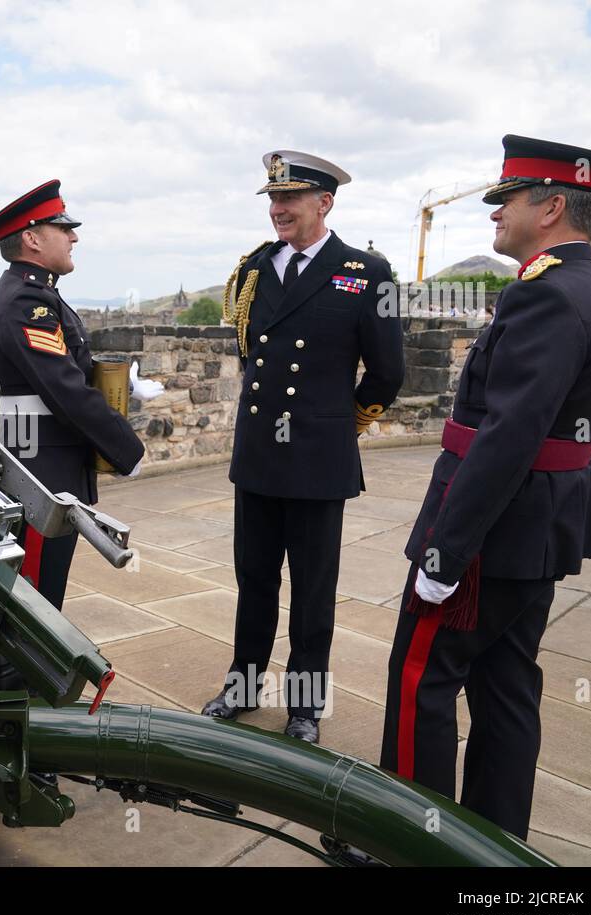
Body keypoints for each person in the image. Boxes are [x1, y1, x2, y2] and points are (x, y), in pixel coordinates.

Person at [379, 135, 591, 839]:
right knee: (507, 689)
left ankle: (409, 840)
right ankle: (491, 845)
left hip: (489, 534)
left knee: (422, 684)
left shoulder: (548, 296)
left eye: (507, 200)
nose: (496, 213)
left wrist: (444, 555)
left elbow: (507, 438)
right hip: (541, 529)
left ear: (551, 207)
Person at [200, 151, 405, 743]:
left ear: (325, 202)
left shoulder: (368, 272)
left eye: (289, 199)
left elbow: (388, 372)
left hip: (319, 457)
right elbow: (249, 355)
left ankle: (305, 707)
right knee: (254, 582)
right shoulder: (254, 270)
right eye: (272, 199)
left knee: (314, 592)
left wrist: (344, 424)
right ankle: (242, 688)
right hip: (261, 454)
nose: (277, 209)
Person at [0, 179, 144, 612]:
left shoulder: (37, 292)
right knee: (33, 602)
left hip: (47, 464)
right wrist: (125, 446)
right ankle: (23, 682)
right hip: (41, 473)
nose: (74, 237)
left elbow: (66, 371)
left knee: (45, 591)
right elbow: (63, 388)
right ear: (32, 238)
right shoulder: (26, 301)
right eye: (62, 228)